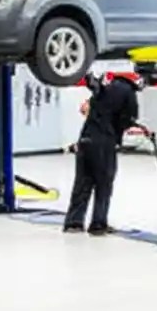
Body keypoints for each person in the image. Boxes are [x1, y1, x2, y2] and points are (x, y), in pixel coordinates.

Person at [63, 73, 146, 235]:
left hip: (85, 139)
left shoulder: (104, 89)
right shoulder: (128, 92)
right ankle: (98, 224)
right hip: (104, 143)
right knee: (103, 184)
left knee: (82, 183)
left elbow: (90, 109)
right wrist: (132, 128)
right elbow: (126, 119)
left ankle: (74, 222)